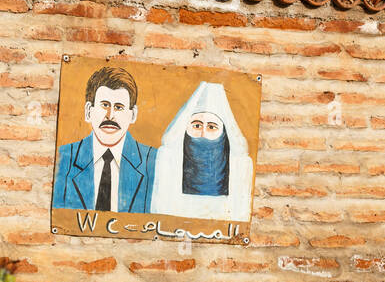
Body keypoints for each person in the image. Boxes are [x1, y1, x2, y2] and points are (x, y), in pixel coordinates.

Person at [52, 66, 156, 213]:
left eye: (119, 107)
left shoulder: (155, 162)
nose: (110, 115)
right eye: (105, 105)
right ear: (88, 111)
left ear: (133, 115)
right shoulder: (62, 158)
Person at [150, 82, 253, 222]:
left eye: (211, 127)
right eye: (197, 125)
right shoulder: (166, 160)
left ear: (223, 134)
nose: (203, 134)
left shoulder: (241, 167)